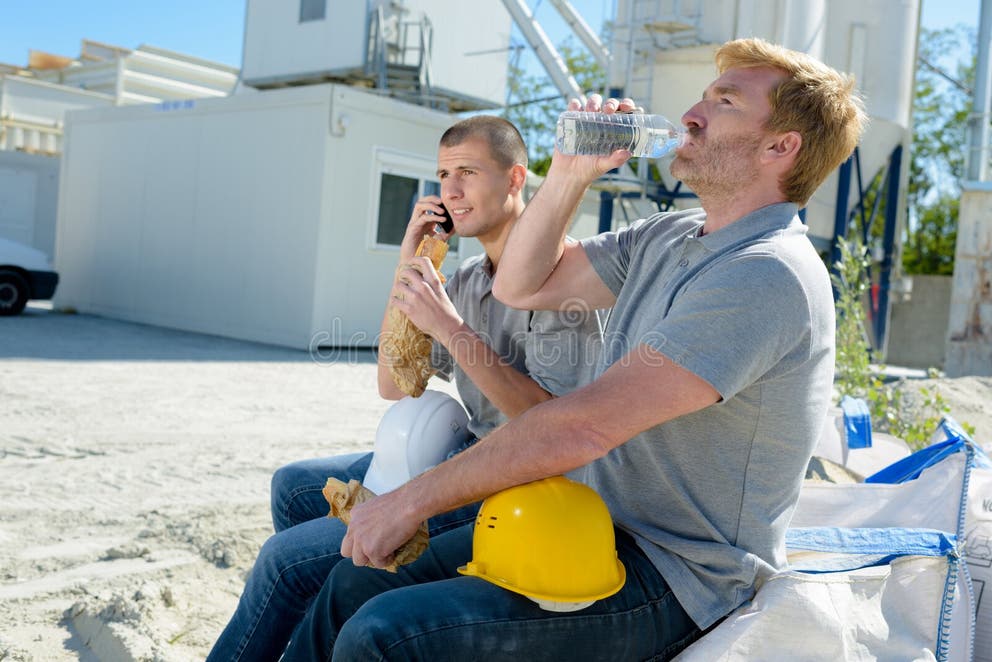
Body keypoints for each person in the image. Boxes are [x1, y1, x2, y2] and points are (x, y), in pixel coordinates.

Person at [281, 37, 868, 661]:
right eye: (702, 96)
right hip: (586, 521)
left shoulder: (765, 272)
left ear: (782, 146)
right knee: (352, 583)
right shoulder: (669, 234)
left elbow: (581, 428)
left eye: (724, 102)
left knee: (386, 634)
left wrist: (409, 501)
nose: (692, 114)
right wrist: (569, 171)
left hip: (673, 572)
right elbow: (520, 284)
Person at [207, 115, 604, 661]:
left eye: (468, 171)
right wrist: (409, 264)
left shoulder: (562, 277)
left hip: (521, 477)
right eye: (444, 176)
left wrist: (449, 327)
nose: (452, 191)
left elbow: (552, 429)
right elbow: (394, 384)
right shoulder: (464, 282)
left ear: (516, 180)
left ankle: (325, 598)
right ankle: (327, 613)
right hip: (472, 448)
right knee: (293, 487)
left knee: (285, 560)